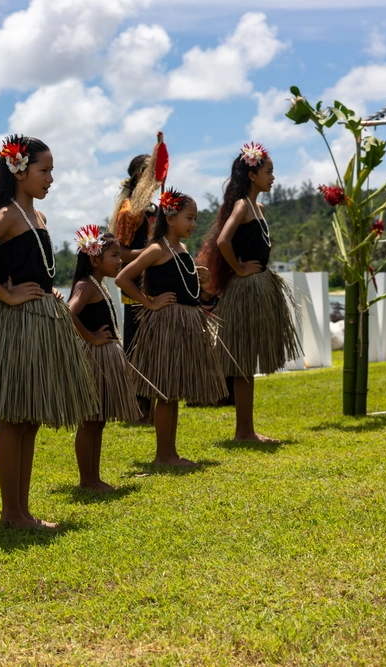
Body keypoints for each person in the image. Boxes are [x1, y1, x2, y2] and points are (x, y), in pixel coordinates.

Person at [0, 135, 97, 529]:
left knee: (30, 418)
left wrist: (45, 286)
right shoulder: (6, 214)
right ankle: (10, 512)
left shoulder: (37, 217)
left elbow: (32, 265)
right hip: (15, 325)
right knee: (15, 417)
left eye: (52, 171)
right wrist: (6, 292)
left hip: (39, 322)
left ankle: (22, 510)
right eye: (44, 170)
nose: (51, 178)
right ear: (19, 171)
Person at [197, 143, 300, 442]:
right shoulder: (242, 205)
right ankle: (244, 432)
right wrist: (240, 270)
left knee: (248, 360)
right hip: (245, 289)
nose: (273, 177)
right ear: (252, 174)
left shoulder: (259, 208)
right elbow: (223, 241)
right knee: (242, 360)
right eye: (268, 172)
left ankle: (247, 430)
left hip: (260, 286)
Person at [116, 189, 227, 466]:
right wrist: (149, 302)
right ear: (170, 216)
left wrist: (197, 278)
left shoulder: (181, 249)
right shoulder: (156, 249)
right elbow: (123, 278)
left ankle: (170, 452)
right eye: (189, 218)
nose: (193, 224)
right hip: (167, 325)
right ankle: (163, 455)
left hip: (185, 324)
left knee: (173, 391)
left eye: (195, 218)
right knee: (165, 392)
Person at [68, 227, 141, 491]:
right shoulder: (86, 285)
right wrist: (91, 337)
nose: (119, 261)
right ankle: (87, 480)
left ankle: (94, 477)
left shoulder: (98, 284)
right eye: (114, 256)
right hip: (94, 359)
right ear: (95, 259)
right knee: (90, 420)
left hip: (105, 356)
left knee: (97, 420)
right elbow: (69, 313)